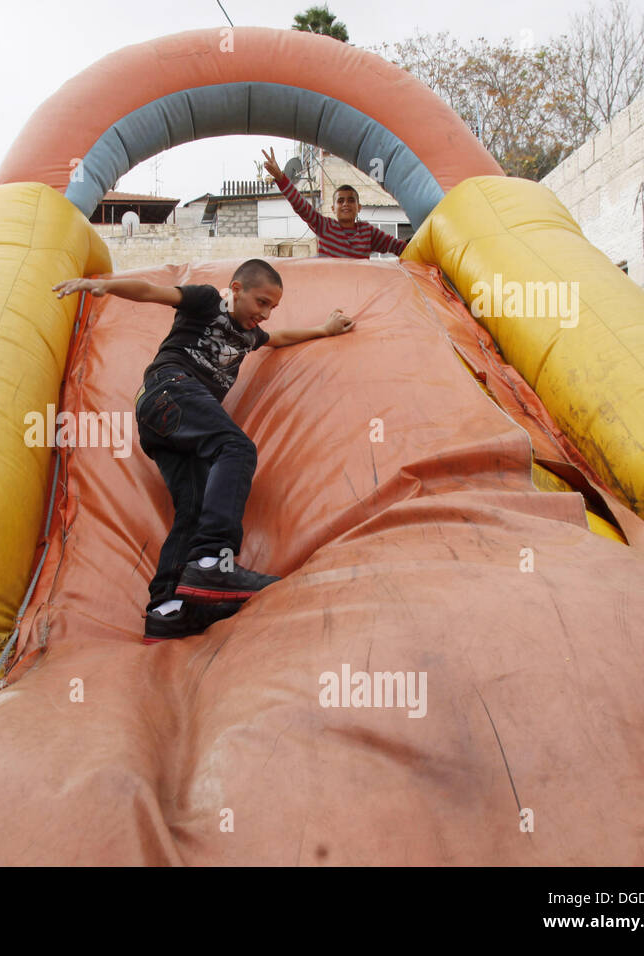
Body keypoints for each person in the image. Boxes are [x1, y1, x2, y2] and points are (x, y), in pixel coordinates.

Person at [54, 260, 354, 641]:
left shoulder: (250, 335)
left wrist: (323, 330)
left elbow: (277, 339)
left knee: (193, 507)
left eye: (271, 309)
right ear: (236, 289)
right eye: (261, 302)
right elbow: (154, 293)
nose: (263, 314)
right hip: (169, 389)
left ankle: (166, 608)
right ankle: (213, 559)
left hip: (164, 425)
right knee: (236, 449)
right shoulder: (209, 301)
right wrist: (105, 288)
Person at [261, 147, 407, 259]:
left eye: (351, 200)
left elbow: (396, 246)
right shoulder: (325, 226)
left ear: (359, 208)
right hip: (329, 291)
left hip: (357, 294)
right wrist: (281, 178)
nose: (345, 204)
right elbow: (301, 207)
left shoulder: (367, 232)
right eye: (340, 201)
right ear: (333, 208)